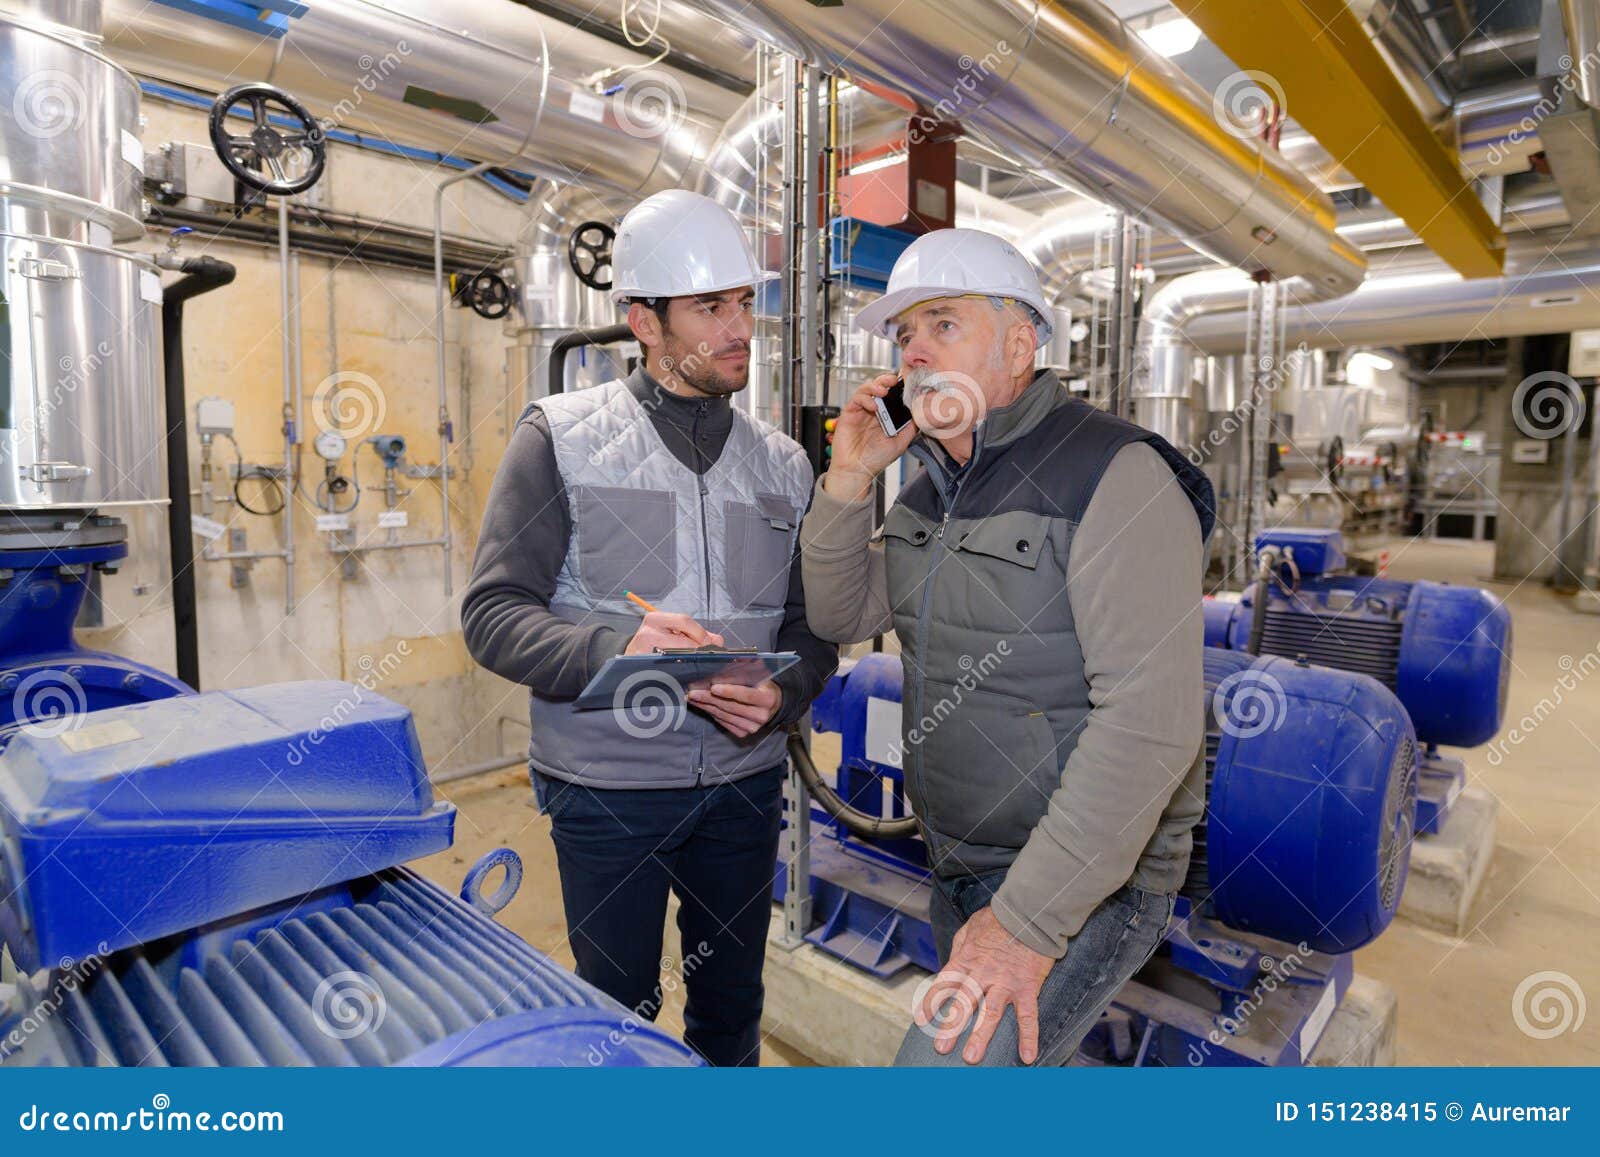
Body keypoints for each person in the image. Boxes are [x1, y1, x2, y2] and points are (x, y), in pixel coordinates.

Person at [798, 227, 1215, 1066]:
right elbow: (837, 611)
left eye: (942, 324)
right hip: (958, 857)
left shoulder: (1114, 473)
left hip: (1086, 883)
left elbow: (1149, 724)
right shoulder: (928, 490)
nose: (915, 351)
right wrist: (849, 477)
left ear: (1021, 343)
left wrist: (1023, 924)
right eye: (903, 336)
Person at [462, 188, 837, 1067]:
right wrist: (610, 648)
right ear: (644, 321)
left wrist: (783, 693)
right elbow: (492, 614)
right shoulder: (559, 438)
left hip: (743, 787)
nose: (740, 326)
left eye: (745, 302)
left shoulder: (783, 462)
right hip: (607, 789)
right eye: (710, 307)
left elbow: (811, 627)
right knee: (618, 1016)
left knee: (732, 1008)